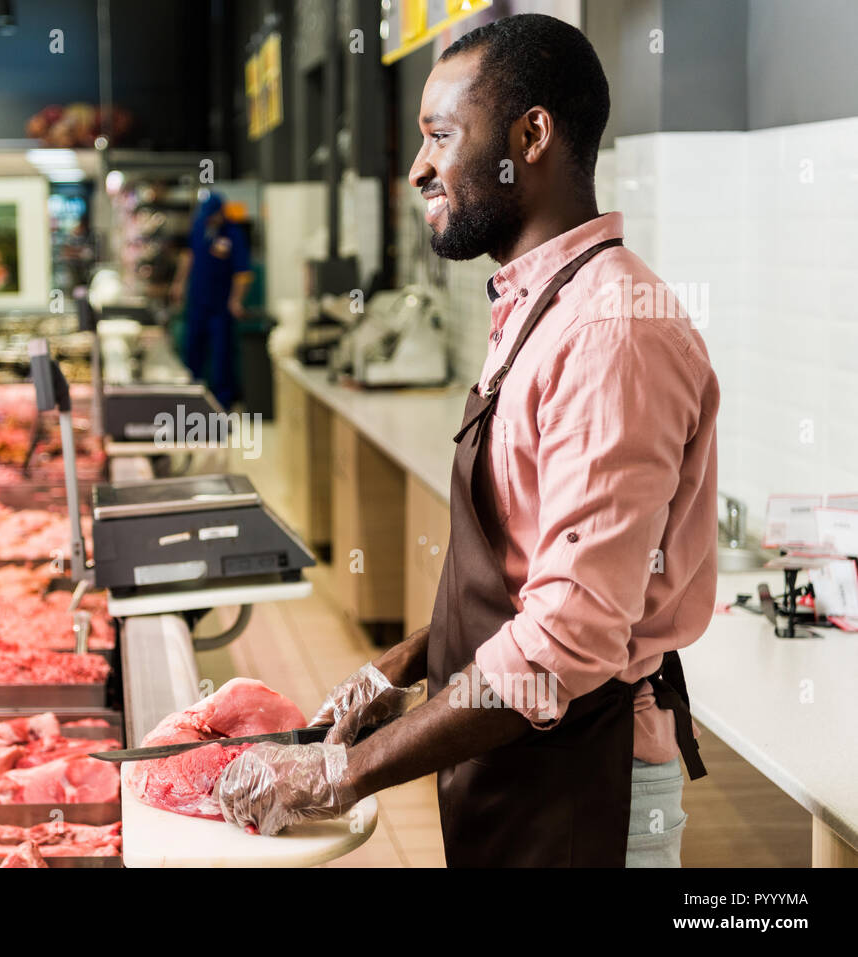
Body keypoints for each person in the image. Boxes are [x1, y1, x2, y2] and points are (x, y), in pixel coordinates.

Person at [215, 14, 719, 868]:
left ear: (531, 136)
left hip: (590, 791)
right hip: (526, 767)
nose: (417, 168)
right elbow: (529, 573)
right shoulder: (540, 303)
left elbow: (566, 638)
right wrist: (404, 663)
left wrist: (342, 772)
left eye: (441, 136)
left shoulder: (610, 332)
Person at [172, 193, 252, 409]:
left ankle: (222, 404)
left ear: (221, 212)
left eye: (212, 216)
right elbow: (189, 256)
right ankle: (190, 399)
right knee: (193, 351)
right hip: (198, 302)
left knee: (221, 356)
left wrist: (236, 300)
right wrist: (179, 283)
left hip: (220, 307)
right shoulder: (199, 227)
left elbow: (242, 272)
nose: (209, 220)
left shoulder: (234, 234)